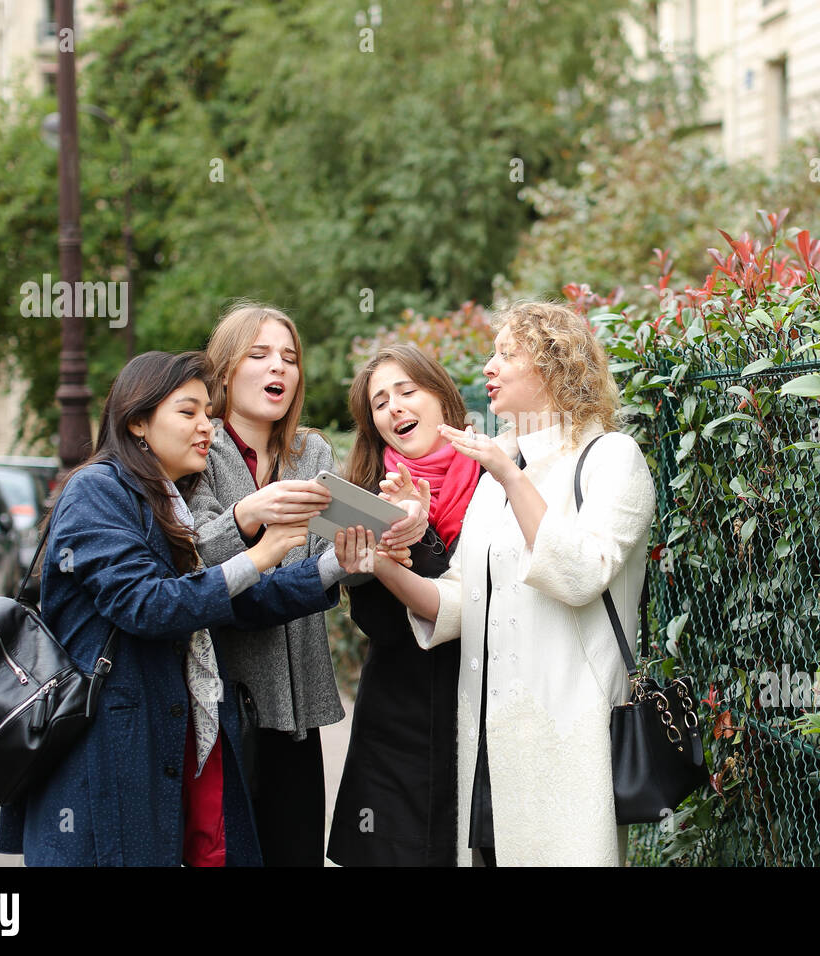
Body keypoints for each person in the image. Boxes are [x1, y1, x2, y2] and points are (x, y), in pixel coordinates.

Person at [334, 302, 656, 866]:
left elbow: (578, 574)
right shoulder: (501, 468)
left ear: (556, 365)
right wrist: (381, 562)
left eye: (507, 354)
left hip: (566, 738)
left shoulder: (611, 459)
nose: (489, 367)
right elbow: (458, 602)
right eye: (491, 353)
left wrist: (508, 474)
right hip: (486, 748)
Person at [0, 351, 338, 866]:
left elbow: (227, 603)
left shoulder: (166, 501)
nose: (206, 427)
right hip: (107, 754)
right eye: (188, 412)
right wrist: (261, 553)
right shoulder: (98, 491)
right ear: (137, 421)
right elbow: (149, 605)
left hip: (171, 745)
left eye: (208, 413)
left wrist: (340, 564)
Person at [186, 303, 424, 866]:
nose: (280, 368)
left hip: (299, 705)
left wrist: (367, 548)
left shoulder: (311, 453)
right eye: (261, 354)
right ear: (224, 370)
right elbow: (195, 570)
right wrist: (247, 517)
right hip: (222, 703)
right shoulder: (199, 446)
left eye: (290, 358)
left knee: (297, 854)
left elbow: (319, 574)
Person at [326, 344, 482, 867]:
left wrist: (426, 523)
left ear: (442, 399)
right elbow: (377, 622)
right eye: (379, 402)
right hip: (398, 718)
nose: (394, 407)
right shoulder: (367, 498)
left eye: (407, 391)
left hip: (482, 713)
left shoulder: (495, 481)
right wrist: (400, 535)